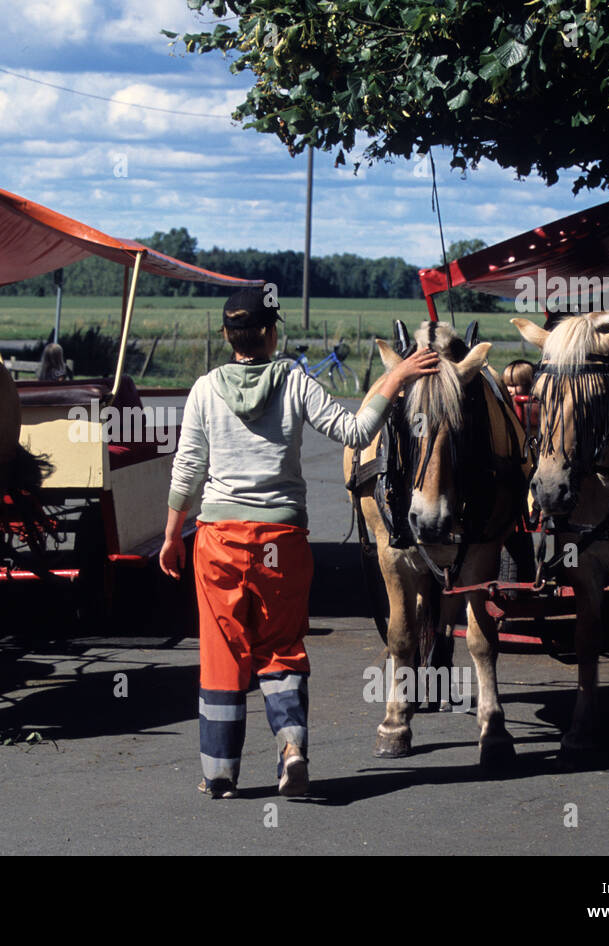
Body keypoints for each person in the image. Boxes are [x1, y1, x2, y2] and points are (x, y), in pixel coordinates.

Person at [159, 288, 438, 800]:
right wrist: (395, 376)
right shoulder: (293, 380)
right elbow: (355, 432)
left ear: (226, 336)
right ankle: (292, 749)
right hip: (282, 540)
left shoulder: (203, 389)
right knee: (281, 648)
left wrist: (173, 533)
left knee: (223, 652)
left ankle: (220, 774)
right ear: (272, 334)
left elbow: (188, 469)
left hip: (219, 539)